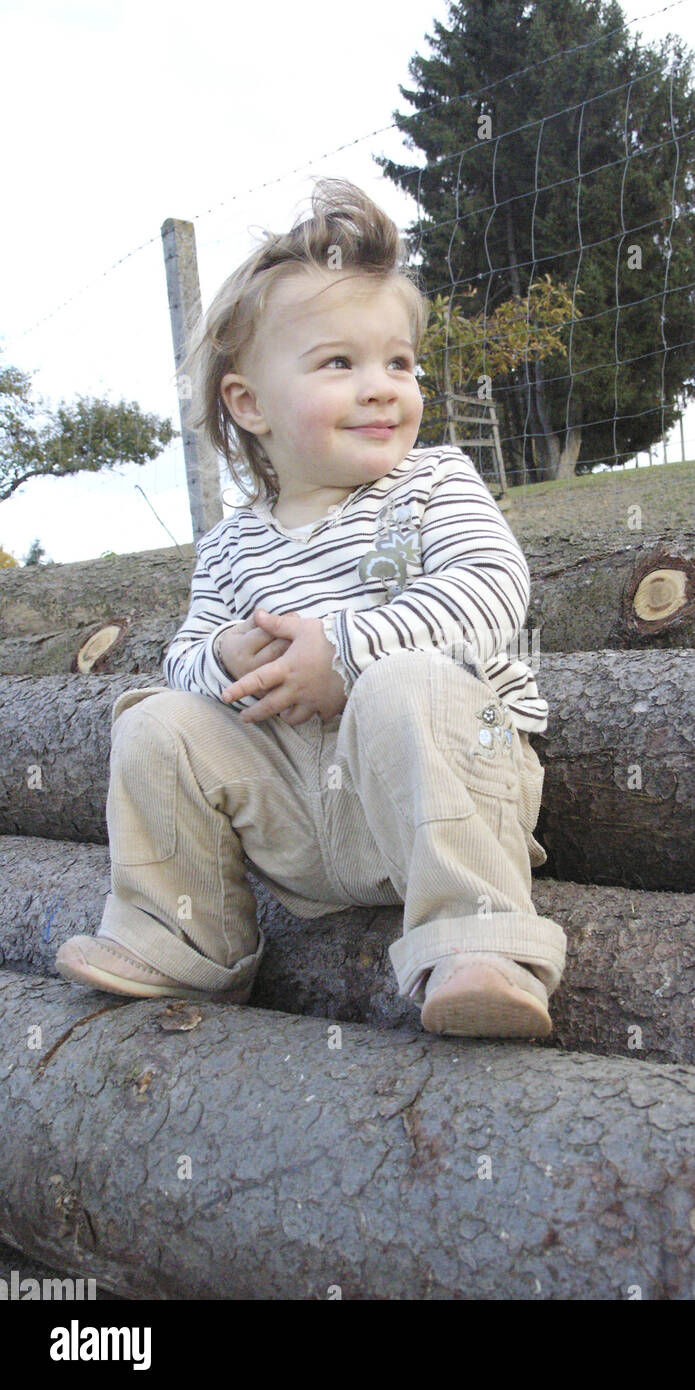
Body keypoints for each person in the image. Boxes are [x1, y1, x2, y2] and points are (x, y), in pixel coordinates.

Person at [55, 178, 566, 1038]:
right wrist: (223, 659)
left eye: (398, 362)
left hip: (431, 794)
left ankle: (478, 942)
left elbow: (490, 590)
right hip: (296, 815)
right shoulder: (231, 543)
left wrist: (349, 651)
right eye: (340, 363)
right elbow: (184, 652)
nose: (382, 388)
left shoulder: (434, 484)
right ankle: (185, 935)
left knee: (411, 681)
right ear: (248, 403)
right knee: (154, 718)